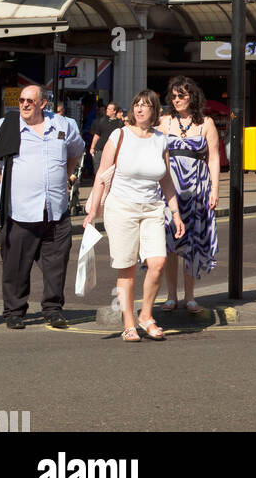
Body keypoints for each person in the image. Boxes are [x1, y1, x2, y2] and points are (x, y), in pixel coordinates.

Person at [84, 89, 184, 341]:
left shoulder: (161, 139)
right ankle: (129, 323)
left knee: (158, 262)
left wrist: (176, 213)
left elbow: (166, 181)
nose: (140, 109)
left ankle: (145, 315)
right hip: (121, 207)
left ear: (154, 111)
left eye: (146, 105)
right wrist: (93, 211)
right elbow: (101, 176)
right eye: (136, 105)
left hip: (152, 208)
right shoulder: (119, 136)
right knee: (126, 269)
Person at [0, 85, 85, 329]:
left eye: (30, 101)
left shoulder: (64, 125)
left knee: (56, 264)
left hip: (55, 207)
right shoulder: (6, 126)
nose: (24, 105)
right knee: (16, 265)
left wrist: (66, 175)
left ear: (43, 104)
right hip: (20, 209)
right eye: (21, 100)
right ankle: (14, 312)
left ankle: (53, 309)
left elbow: (76, 150)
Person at [157, 76, 219, 313]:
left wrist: (215, 190)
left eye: (181, 95)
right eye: (173, 96)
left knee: (191, 243)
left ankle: (190, 296)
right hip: (170, 188)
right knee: (170, 244)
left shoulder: (206, 124)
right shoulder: (164, 122)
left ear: (192, 96)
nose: (176, 100)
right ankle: (171, 296)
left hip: (197, 188)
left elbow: (213, 157)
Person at [89, 101, 123, 176]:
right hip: (99, 150)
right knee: (97, 171)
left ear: (114, 111)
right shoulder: (102, 121)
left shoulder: (119, 123)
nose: (107, 110)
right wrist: (92, 147)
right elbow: (97, 135)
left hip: (111, 151)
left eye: (109, 109)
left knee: (108, 172)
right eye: (107, 108)